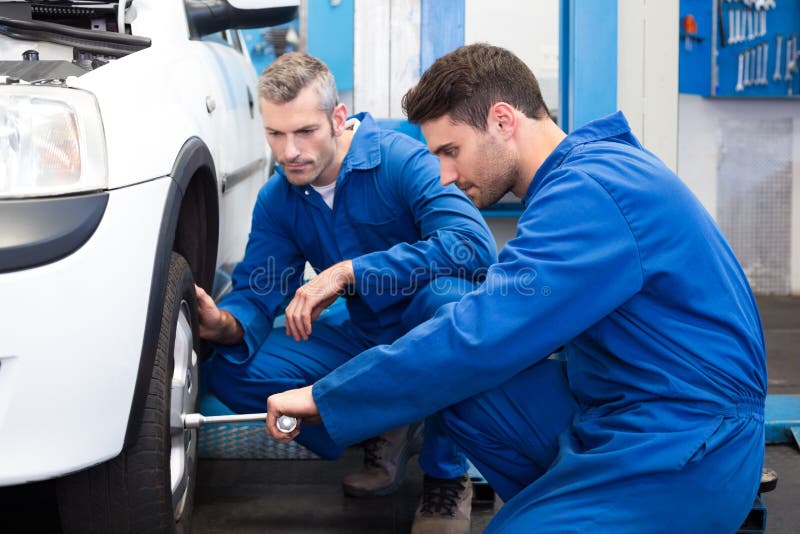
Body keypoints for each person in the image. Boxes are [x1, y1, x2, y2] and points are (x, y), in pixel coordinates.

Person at [265, 43, 768, 532]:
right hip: (613, 410)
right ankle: (571, 503)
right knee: (440, 327)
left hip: (691, 442)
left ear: (503, 122)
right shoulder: (572, 182)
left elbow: (482, 334)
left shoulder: (592, 192)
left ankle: (592, 509)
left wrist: (327, 397)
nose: (443, 175)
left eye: (450, 151)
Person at [197, 52, 498, 533]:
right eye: (275, 134)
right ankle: (385, 422)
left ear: (338, 118)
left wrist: (348, 272)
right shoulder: (280, 197)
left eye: (305, 132)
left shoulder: (401, 160)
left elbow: (473, 246)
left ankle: (446, 478)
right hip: (361, 336)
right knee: (230, 369)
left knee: (451, 305)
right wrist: (226, 326)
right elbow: (260, 288)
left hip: (422, 323)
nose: (289, 151)